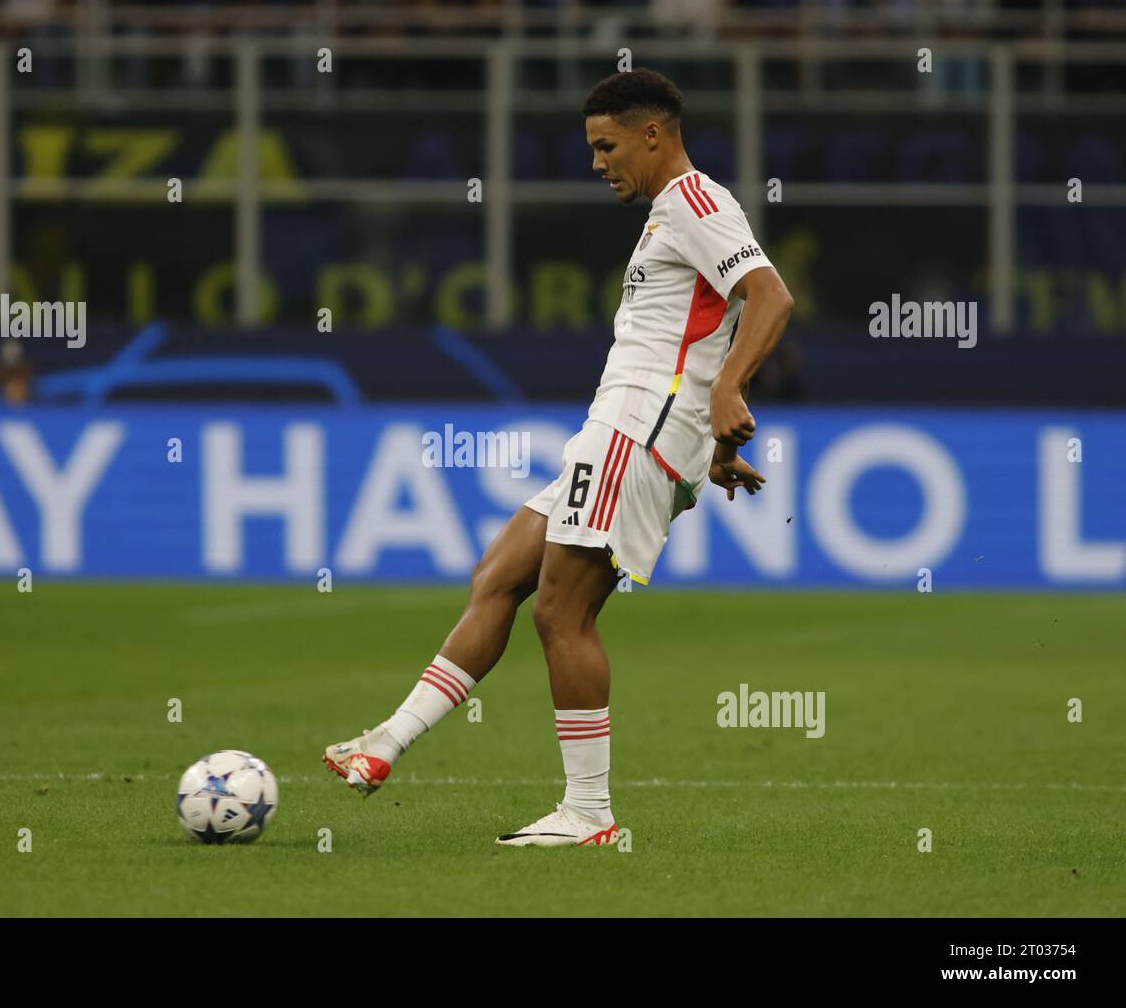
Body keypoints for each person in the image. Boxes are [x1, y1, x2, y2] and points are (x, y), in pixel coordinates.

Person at [323, 68, 794, 847]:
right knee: (501, 572)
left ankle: (587, 812)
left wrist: (726, 393)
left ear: (653, 134)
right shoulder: (666, 216)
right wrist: (712, 438)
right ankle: (386, 744)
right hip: (623, 430)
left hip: (634, 431)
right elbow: (700, 338)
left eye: (607, 146)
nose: (598, 162)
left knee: (559, 610)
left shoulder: (695, 202)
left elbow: (771, 294)